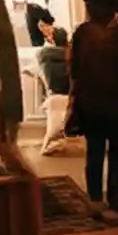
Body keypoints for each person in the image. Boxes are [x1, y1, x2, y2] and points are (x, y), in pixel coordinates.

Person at [70, 0, 118, 220]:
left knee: (95, 153)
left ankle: (95, 201)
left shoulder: (81, 33)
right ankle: (115, 205)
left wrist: (74, 102)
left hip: (90, 104)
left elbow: (75, 71)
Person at [37, 27, 71, 155]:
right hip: (74, 92)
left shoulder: (43, 54)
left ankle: (49, 143)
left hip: (56, 93)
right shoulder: (75, 55)